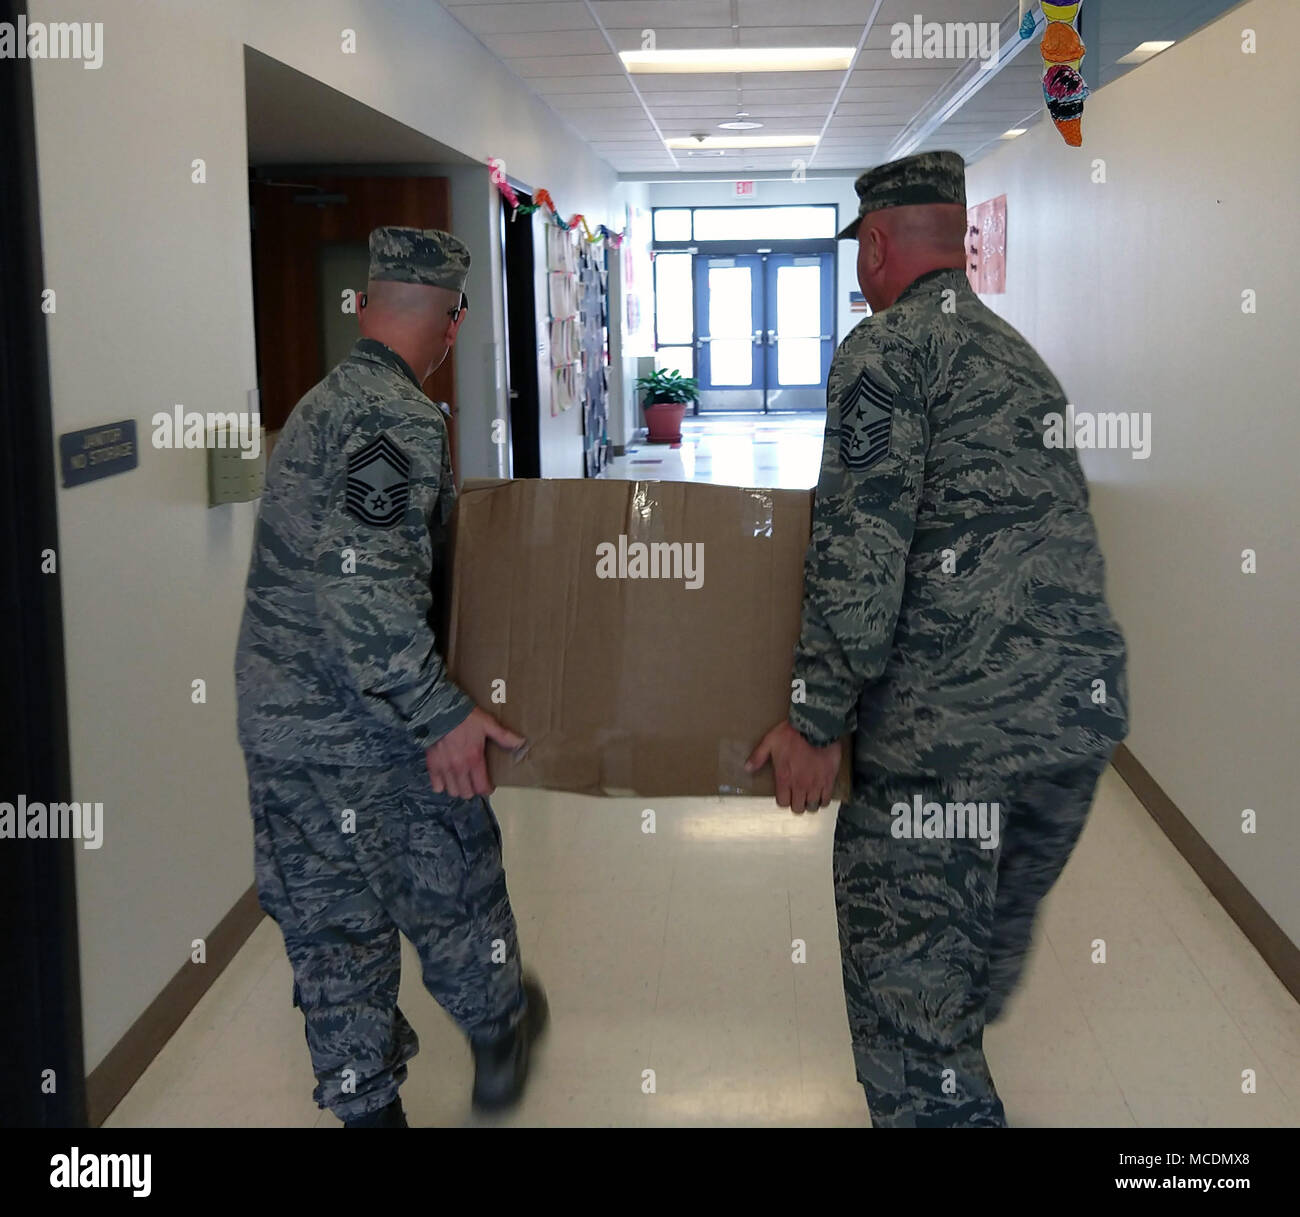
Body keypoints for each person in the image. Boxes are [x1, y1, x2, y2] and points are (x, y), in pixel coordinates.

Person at [747, 152, 1128, 1127]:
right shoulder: (1014, 353)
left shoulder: (886, 350)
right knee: (955, 989)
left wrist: (814, 716)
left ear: (876, 245)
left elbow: (858, 553)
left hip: (945, 748)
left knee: (916, 1034)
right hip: (1065, 736)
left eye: (859, 254)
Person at [235, 226, 545, 1129]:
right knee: (454, 883)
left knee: (332, 937)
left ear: (364, 306)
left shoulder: (321, 404)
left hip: (289, 737)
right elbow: (360, 583)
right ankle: (498, 1035)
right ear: (452, 323)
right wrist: (438, 712)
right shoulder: (396, 418)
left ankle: (369, 1106)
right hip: (377, 736)